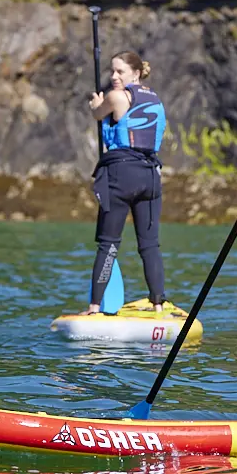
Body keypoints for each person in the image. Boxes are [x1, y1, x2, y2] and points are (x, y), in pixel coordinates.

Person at [82, 52, 167, 315]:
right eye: (112, 72)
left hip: (121, 175)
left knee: (108, 244)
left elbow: (98, 114)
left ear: (136, 73)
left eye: (120, 72)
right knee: (149, 245)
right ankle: (158, 304)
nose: (114, 77)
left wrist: (97, 103)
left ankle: (94, 307)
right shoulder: (156, 100)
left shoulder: (115, 97)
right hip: (151, 176)